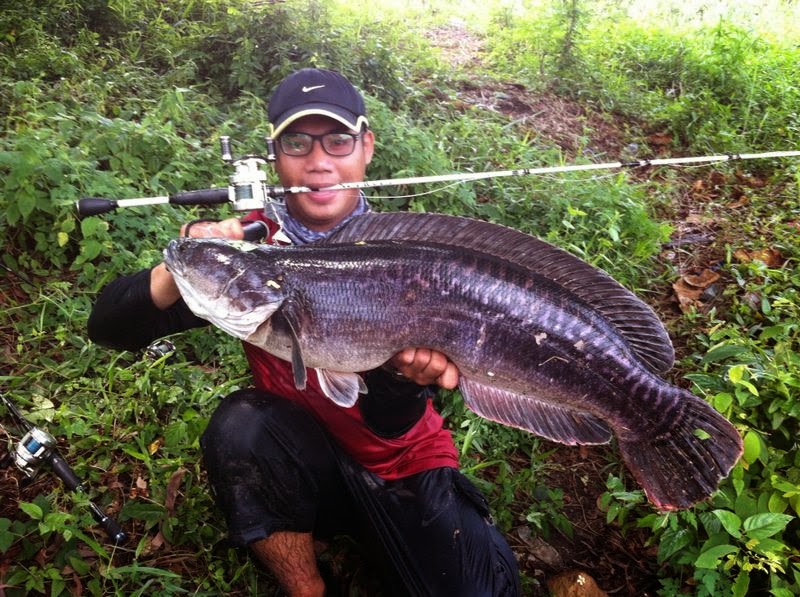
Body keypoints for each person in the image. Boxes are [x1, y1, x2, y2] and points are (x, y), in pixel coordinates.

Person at [88, 68, 521, 597]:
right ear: (275, 155)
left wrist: (403, 380)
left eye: (338, 140)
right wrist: (181, 264)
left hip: (400, 463)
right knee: (241, 426)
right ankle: (308, 587)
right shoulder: (248, 260)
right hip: (299, 456)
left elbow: (390, 422)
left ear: (367, 147)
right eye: (297, 142)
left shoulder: (405, 263)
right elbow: (109, 329)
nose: (319, 162)